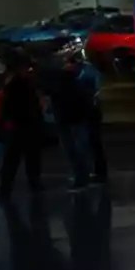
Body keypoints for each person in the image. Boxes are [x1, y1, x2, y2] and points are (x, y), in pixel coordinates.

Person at [0, 61, 45, 201]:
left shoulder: (13, 86)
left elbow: (6, 108)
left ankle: (6, 188)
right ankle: (33, 183)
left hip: (18, 126)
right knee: (30, 158)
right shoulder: (27, 85)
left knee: (12, 160)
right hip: (26, 125)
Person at [50, 53, 94, 191]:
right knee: (81, 149)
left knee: (71, 150)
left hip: (64, 120)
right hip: (77, 119)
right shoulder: (78, 84)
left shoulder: (57, 85)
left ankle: (79, 175)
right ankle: (84, 175)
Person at [73, 55, 108, 181]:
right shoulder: (91, 72)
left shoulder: (86, 74)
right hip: (92, 110)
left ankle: (97, 171)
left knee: (92, 142)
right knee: (94, 142)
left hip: (90, 111)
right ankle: (99, 170)